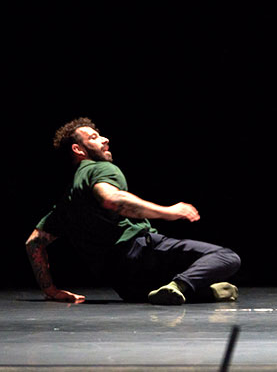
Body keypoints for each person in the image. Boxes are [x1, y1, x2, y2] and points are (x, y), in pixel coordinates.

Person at [25, 118, 241, 305]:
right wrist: (168, 211)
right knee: (226, 257)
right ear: (78, 149)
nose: (104, 139)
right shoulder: (98, 168)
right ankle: (182, 284)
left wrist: (50, 291)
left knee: (176, 289)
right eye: (94, 137)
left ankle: (197, 290)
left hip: (125, 285)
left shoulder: (66, 203)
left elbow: (33, 243)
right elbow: (112, 199)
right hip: (141, 250)